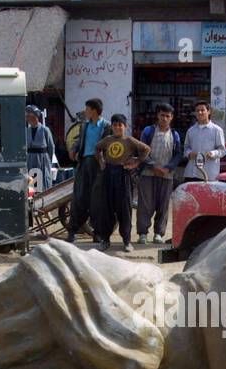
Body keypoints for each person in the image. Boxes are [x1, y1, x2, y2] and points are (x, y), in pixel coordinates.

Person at [91, 113, 149, 253]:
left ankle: (127, 241)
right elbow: (97, 148)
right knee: (106, 208)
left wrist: (136, 162)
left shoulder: (129, 140)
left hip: (123, 175)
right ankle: (105, 239)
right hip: (108, 175)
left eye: (120, 125)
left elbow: (146, 149)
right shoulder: (108, 139)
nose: (117, 127)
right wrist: (101, 161)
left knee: (125, 209)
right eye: (115, 125)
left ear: (125, 126)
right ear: (112, 126)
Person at [66, 98, 110, 243]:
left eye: (87, 109)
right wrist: (74, 149)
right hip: (84, 163)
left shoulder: (106, 126)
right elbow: (80, 141)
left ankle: (97, 233)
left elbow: (108, 145)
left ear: (94, 111)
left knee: (97, 200)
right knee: (79, 198)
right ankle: (72, 231)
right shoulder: (84, 126)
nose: (85, 112)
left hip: (98, 165)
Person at [137, 102, 181, 244]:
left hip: (167, 175)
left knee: (163, 205)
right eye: (162, 115)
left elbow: (178, 154)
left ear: (171, 117)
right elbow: (141, 151)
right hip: (148, 174)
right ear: (157, 115)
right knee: (145, 204)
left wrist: (168, 168)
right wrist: (153, 166)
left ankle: (158, 234)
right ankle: (143, 233)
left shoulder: (175, 135)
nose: (164, 118)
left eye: (167, 116)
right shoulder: (148, 131)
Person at [184, 101, 225, 183]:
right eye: (197, 110)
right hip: (192, 173)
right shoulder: (191, 130)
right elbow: (186, 147)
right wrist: (189, 153)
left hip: (209, 174)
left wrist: (213, 153)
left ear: (209, 111)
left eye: (202, 110)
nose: (200, 112)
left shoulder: (216, 130)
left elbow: (222, 150)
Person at [25, 105, 56, 192]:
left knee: (43, 182)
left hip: (42, 159)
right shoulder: (27, 131)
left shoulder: (45, 130)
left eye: (28, 116)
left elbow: (51, 146)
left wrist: (47, 161)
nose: (27, 118)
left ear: (34, 116)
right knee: (32, 183)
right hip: (31, 159)